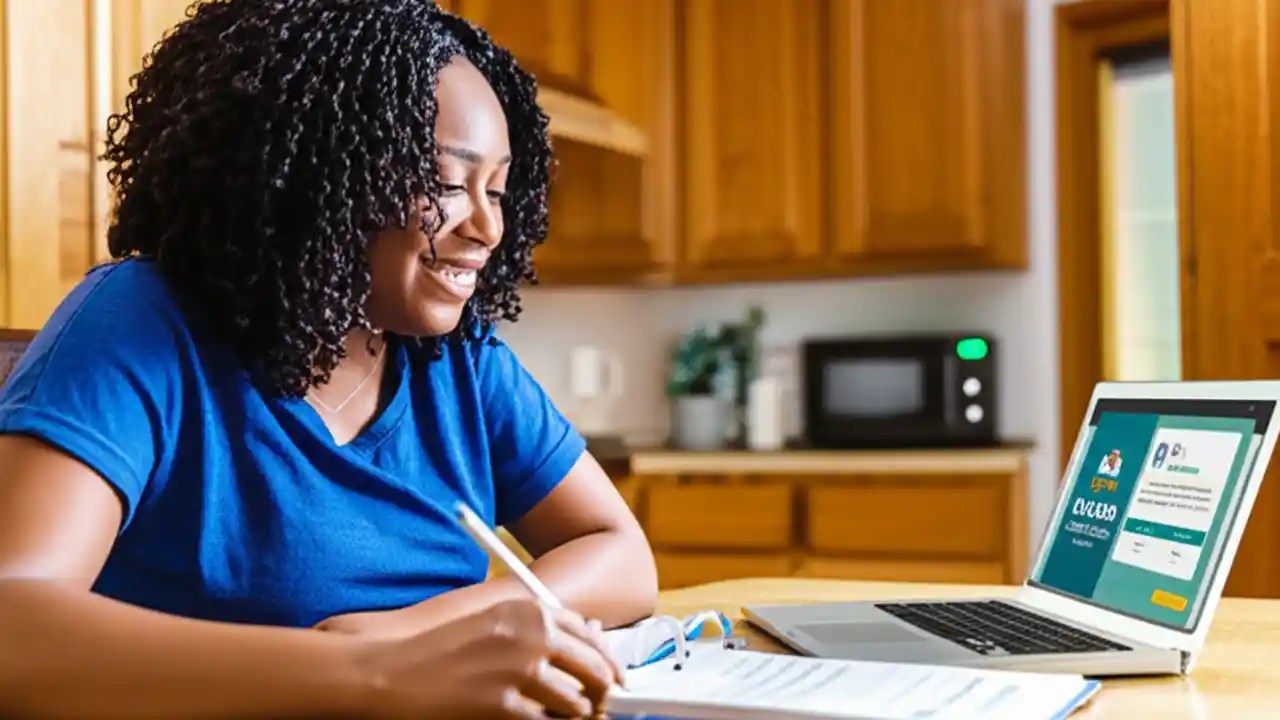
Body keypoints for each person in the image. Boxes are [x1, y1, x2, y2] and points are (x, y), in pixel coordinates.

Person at [0, 0, 658, 717]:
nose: (488, 227)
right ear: (319, 175)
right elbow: (14, 624)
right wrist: (375, 671)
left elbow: (619, 551)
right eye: (447, 184)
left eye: (497, 189)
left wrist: (429, 632)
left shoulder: (459, 362)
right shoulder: (142, 321)